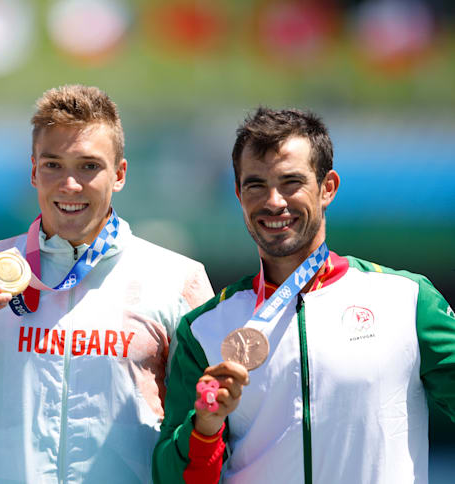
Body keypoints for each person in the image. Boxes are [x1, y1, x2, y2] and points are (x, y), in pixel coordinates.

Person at [0, 84, 214, 482]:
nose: (69, 185)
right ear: (33, 171)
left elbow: (207, 437)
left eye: (88, 166)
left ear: (120, 174)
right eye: (53, 165)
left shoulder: (177, 279)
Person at [152, 107, 455, 483]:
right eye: (256, 185)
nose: (274, 201)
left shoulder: (408, 301)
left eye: (291, 182)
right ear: (238, 193)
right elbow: (173, 479)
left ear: (327, 188)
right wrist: (206, 425)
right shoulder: (205, 328)